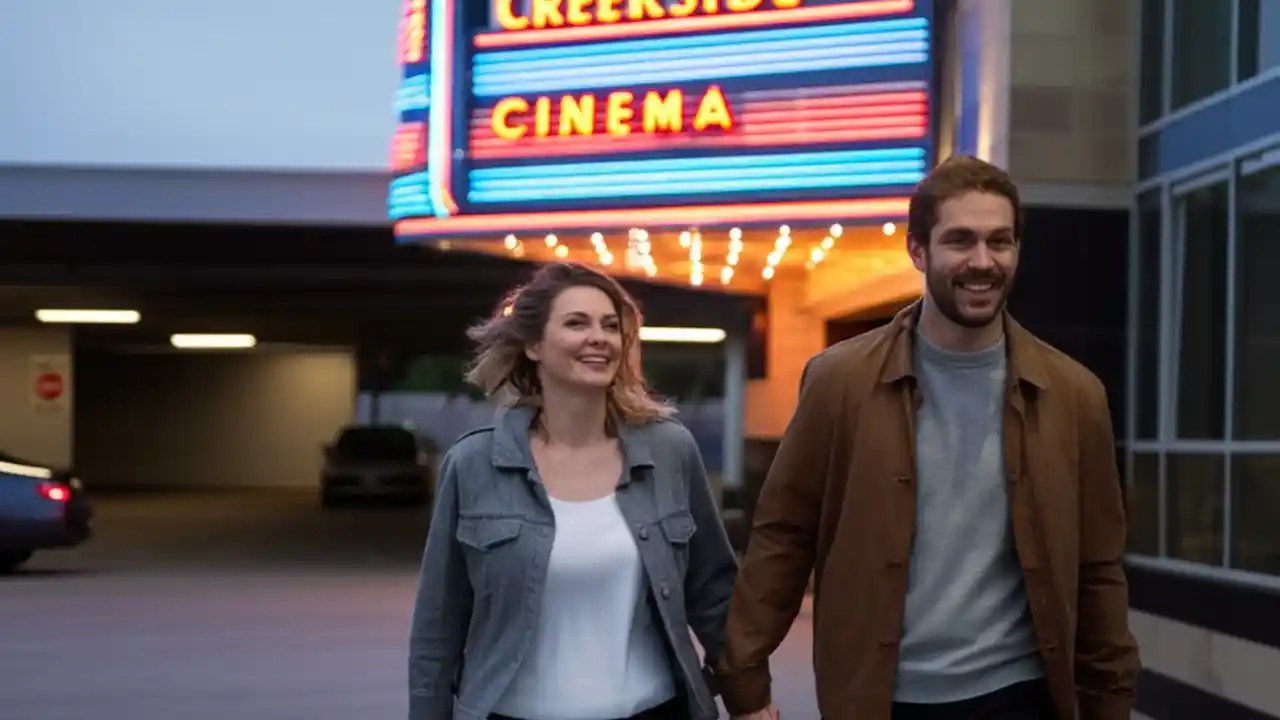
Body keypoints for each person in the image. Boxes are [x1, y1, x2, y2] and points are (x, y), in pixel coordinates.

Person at [716, 155, 1141, 720]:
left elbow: (1098, 566)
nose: (983, 262)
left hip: (1021, 696)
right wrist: (745, 675)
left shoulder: (1074, 395)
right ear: (918, 251)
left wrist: (1109, 699)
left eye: (1001, 242)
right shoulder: (840, 381)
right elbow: (784, 536)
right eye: (960, 241)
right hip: (882, 697)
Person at [407, 261, 739, 720]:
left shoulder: (670, 451)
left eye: (610, 325)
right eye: (576, 323)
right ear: (534, 345)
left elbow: (715, 594)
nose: (599, 337)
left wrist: (750, 697)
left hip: (653, 710)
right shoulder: (474, 464)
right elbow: (437, 626)